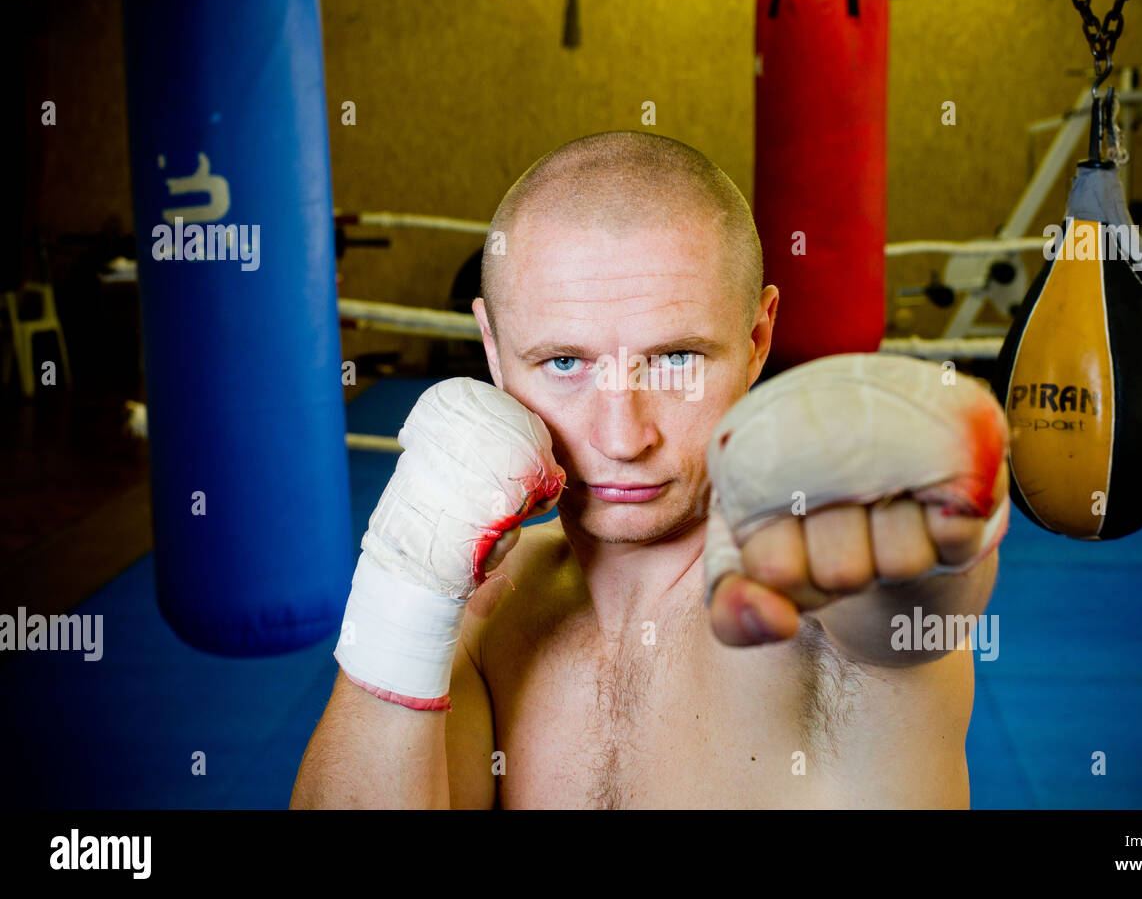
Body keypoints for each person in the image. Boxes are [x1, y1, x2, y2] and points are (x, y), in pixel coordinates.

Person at [291, 130, 1009, 809]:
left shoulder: (809, 614)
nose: (622, 436)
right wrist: (404, 590)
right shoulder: (485, 614)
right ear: (493, 347)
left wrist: (925, 505)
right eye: (564, 363)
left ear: (758, 338)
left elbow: (906, 611)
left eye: (676, 360)